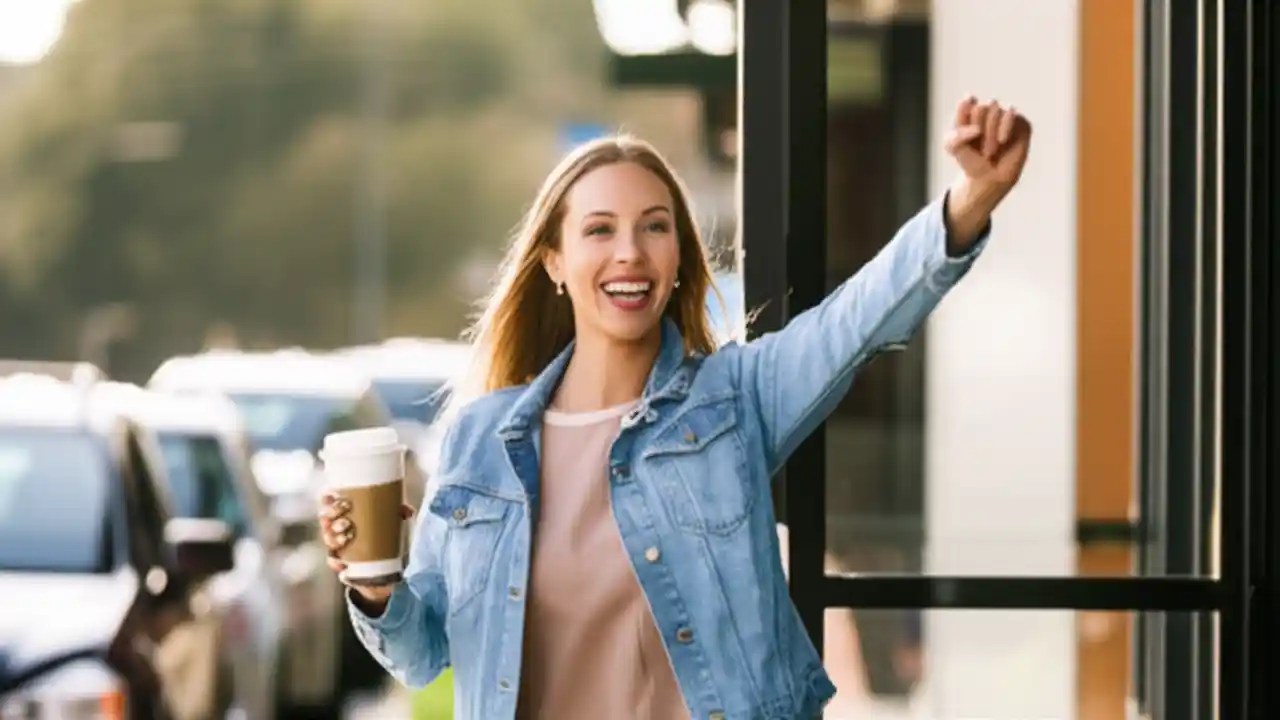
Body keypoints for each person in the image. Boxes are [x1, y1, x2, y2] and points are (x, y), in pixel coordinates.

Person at [320, 96, 1032, 719]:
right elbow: (422, 654)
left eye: (654, 227)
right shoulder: (482, 440)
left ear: (681, 258)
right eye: (599, 230)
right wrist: (375, 585)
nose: (629, 252)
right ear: (556, 264)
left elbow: (859, 318)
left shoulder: (735, 399)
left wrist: (971, 197)